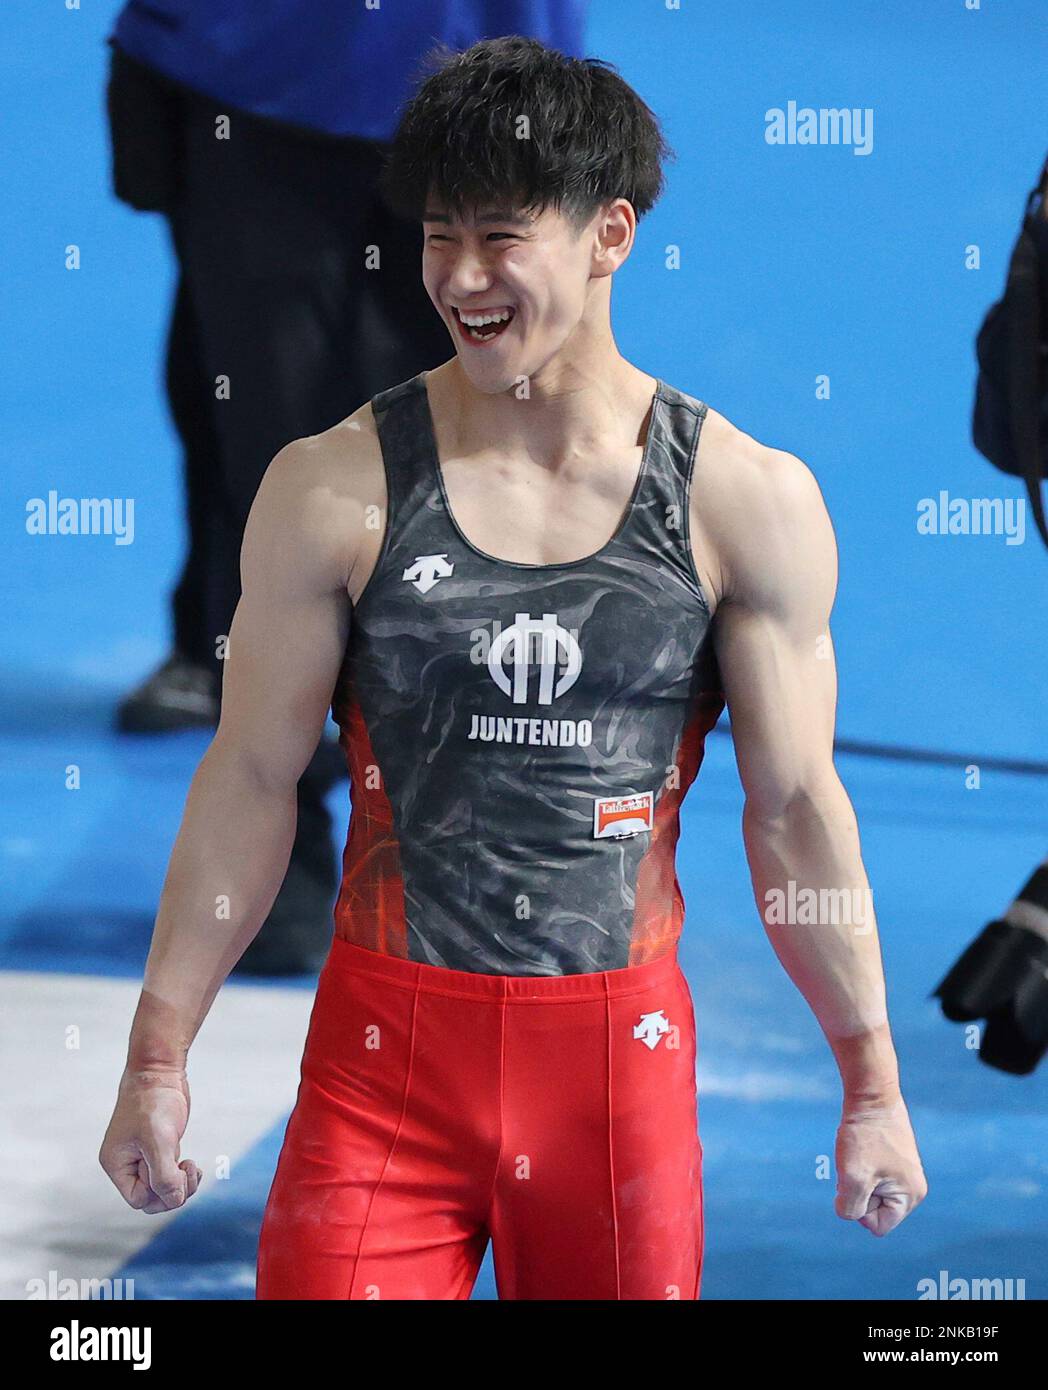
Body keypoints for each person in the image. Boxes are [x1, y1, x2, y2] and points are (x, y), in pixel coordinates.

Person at [100, 37, 927, 1300]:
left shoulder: (740, 503)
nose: (463, 279)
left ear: (610, 234)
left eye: (501, 238)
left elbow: (795, 810)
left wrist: (871, 1082)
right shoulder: (332, 488)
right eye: (440, 237)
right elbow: (254, 779)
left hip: (612, 1075)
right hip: (382, 1065)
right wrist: (158, 1055)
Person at [104, 1, 587, 972]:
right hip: (253, 75)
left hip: (481, 99)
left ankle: (456, 836)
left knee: (465, 458)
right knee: (274, 460)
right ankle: (283, 843)